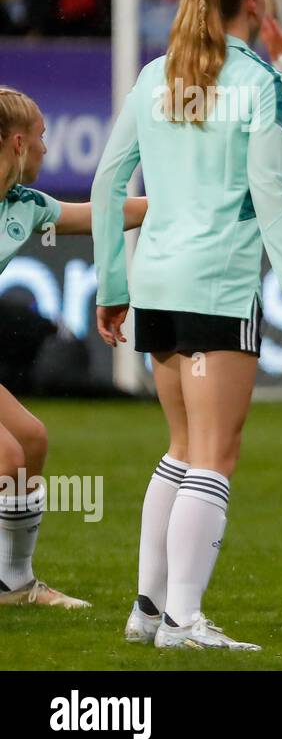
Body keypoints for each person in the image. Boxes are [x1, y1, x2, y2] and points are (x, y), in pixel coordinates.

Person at [92, 0, 282, 650]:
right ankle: (183, 620)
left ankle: (147, 611)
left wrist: (112, 284)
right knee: (213, 454)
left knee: (179, 447)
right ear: (255, 7)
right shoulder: (261, 84)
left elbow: (108, 187)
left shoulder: (154, 77)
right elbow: (272, 200)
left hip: (157, 284)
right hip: (219, 286)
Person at [0, 86, 145, 608]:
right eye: (40, 137)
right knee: (5, 456)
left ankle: (12, 585)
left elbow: (100, 214)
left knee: (30, 443)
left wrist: (188, 203)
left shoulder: (24, 205)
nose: (45, 146)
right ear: (18, 143)